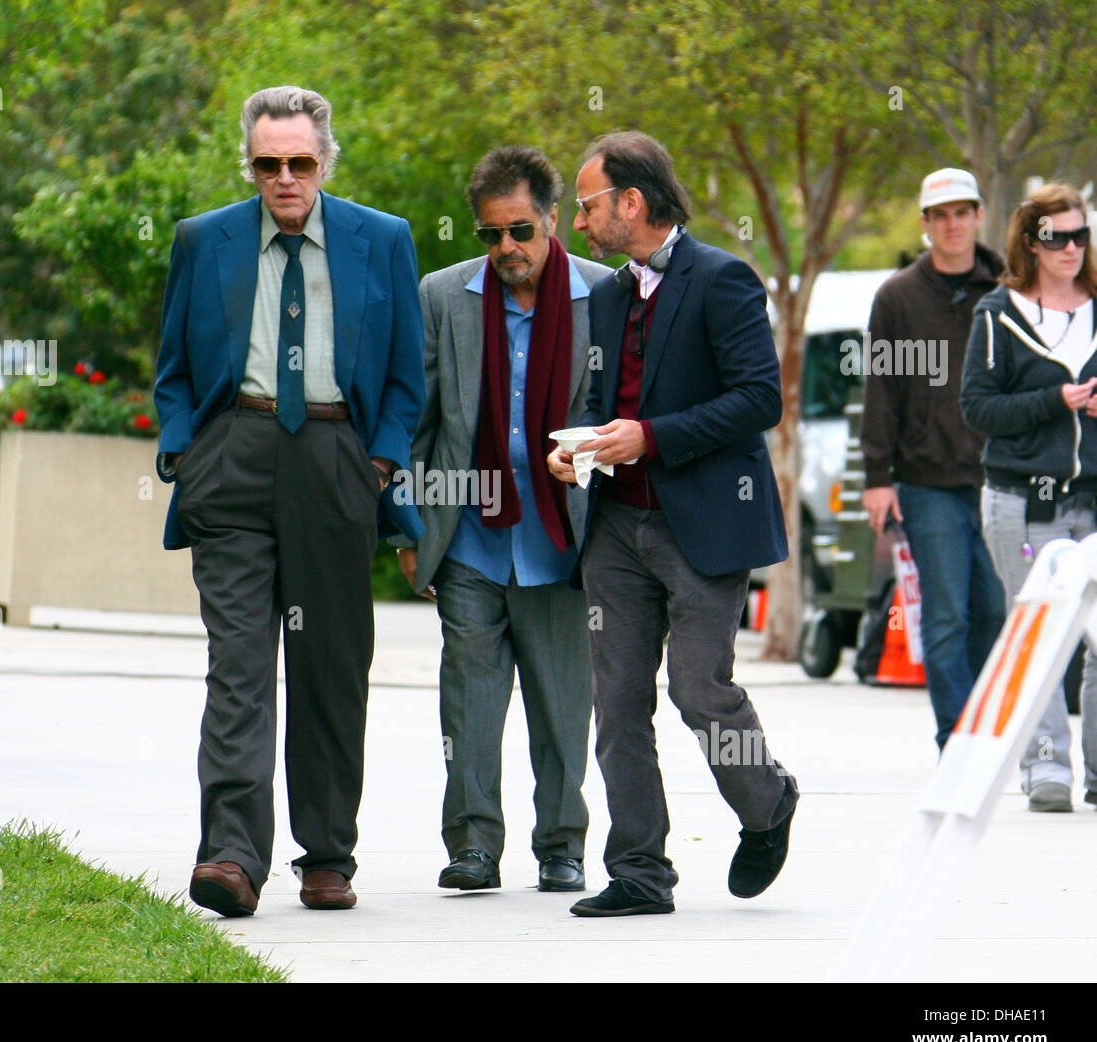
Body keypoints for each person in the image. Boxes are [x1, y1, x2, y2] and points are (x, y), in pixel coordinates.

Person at [152, 86, 425, 914]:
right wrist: (184, 455)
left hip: (337, 458)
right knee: (238, 664)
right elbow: (173, 370)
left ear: (324, 160)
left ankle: (327, 854)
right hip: (233, 457)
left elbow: (409, 378)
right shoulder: (206, 240)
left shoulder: (383, 240)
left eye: (299, 163)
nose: (284, 179)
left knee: (330, 666)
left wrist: (377, 465)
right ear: (251, 162)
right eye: (267, 164)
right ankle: (232, 854)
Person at [547, 131, 798, 917]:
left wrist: (650, 436)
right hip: (616, 524)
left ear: (632, 201)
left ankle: (767, 804)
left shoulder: (724, 279)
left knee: (699, 689)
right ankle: (640, 873)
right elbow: (600, 402)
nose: (577, 225)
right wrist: (579, 447)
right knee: (618, 701)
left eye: (587, 206)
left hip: (705, 526)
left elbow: (761, 398)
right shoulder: (609, 294)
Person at [393, 146, 610, 894]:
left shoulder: (604, 295)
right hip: (469, 539)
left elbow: (625, 416)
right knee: (470, 703)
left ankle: (561, 845)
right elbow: (418, 423)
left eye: (520, 230)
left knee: (562, 704)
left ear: (554, 221)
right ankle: (474, 844)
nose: (506, 248)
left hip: (565, 538)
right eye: (491, 234)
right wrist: (410, 528)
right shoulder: (442, 295)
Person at [962, 181, 1097, 813]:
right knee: (1040, 637)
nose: (1071, 247)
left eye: (1080, 234)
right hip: (1023, 501)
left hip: (1092, 498)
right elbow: (978, 408)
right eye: (1057, 236)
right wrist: (1059, 400)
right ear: (1031, 242)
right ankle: (1046, 768)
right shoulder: (999, 313)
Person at [860, 168, 1006, 753]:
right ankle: (959, 743)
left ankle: (991, 732)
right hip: (927, 483)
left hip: (1006, 480)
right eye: (939, 215)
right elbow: (881, 392)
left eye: (962, 212)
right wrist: (876, 478)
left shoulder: (1009, 287)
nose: (952, 224)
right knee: (945, 619)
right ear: (925, 224)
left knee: (997, 614)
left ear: (977, 216)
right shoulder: (896, 297)